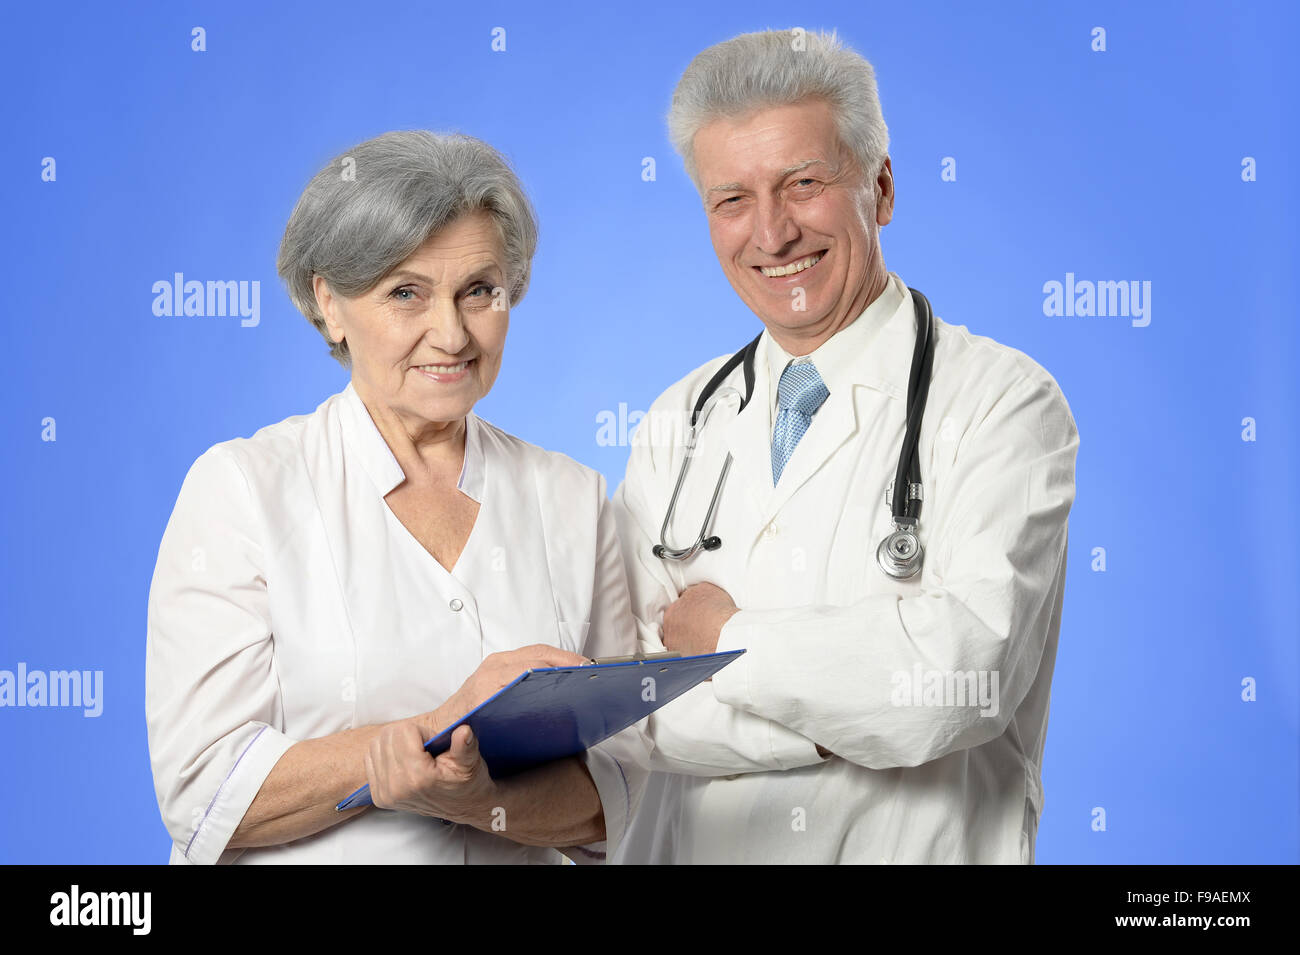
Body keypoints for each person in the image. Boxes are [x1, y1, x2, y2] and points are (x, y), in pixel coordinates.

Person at [610, 29, 1080, 864]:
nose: (772, 233)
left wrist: (725, 638)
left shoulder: (1003, 403)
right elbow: (626, 698)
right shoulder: (678, 418)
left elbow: (954, 683)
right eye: (731, 200)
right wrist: (838, 721)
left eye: (805, 183)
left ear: (883, 187)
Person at [146, 130, 645, 865]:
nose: (450, 333)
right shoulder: (245, 489)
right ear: (330, 304)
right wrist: (437, 729)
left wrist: (478, 799)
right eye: (405, 292)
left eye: (479, 290)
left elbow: (620, 791)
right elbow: (204, 792)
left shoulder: (574, 498)